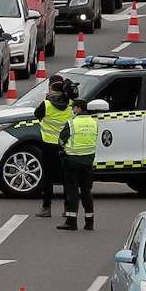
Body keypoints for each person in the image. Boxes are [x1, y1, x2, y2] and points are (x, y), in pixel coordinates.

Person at [57, 98, 106, 231]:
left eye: (74, 108)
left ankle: (71, 222)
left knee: (72, 191)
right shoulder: (94, 123)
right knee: (86, 191)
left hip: (72, 161)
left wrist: (63, 150)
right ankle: (89, 222)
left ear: (78, 108)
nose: (73, 110)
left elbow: (61, 140)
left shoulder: (72, 123)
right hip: (88, 162)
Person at [34, 75, 73, 217]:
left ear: (50, 87)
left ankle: (46, 208)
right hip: (66, 145)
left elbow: (37, 114)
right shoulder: (70, 103)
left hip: (48, 145)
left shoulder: (46, 104)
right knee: (67, 178)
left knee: (48, 177)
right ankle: (68, 208)